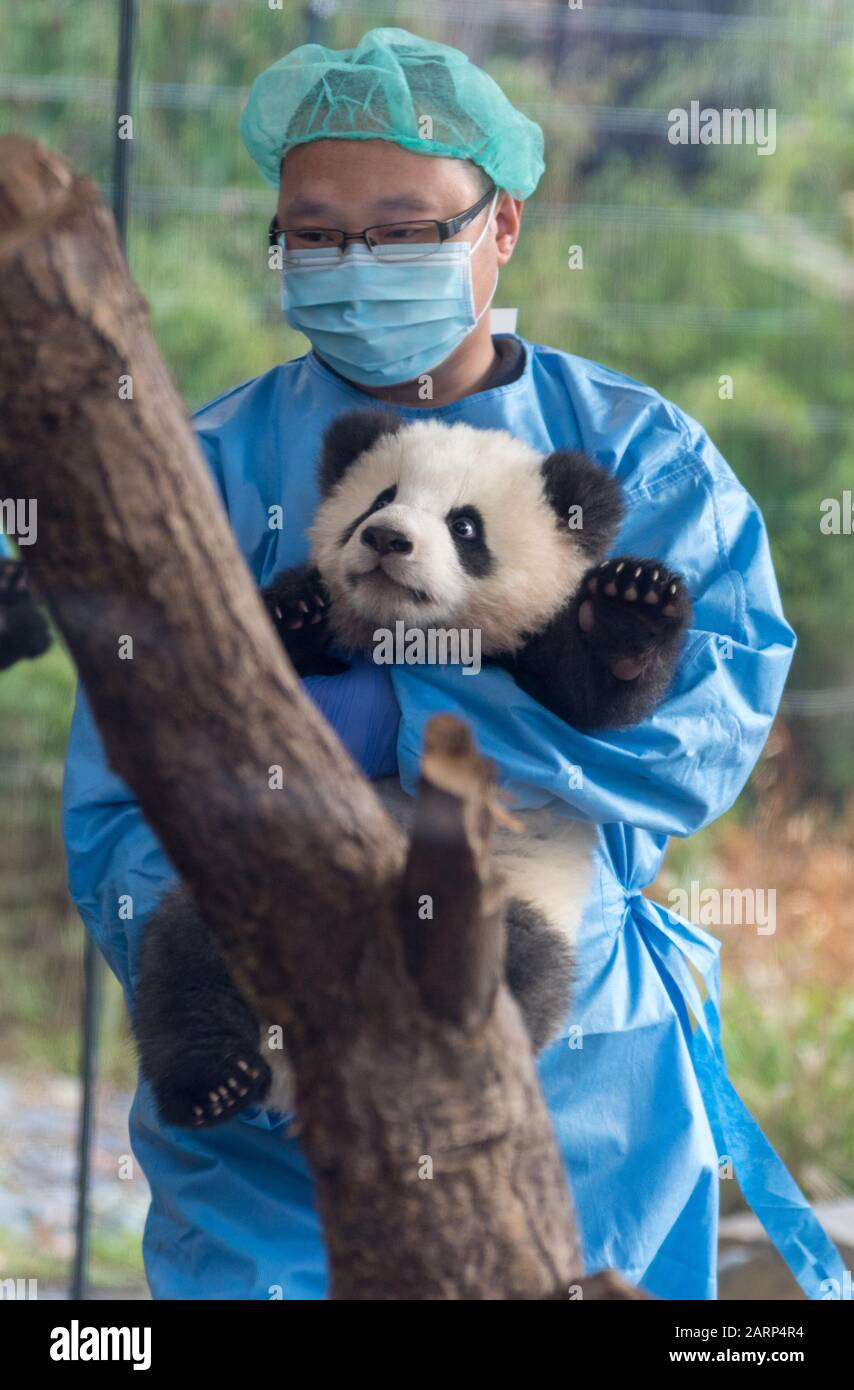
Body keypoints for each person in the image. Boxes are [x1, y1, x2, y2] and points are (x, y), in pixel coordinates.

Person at [61, 27, 842, 1300]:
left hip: (569, 1075)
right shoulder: (200, 471)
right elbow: (124, 793)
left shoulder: (643, 464)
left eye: (406, 227)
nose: (354, 264)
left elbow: (687, 740)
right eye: (311, 234)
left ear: (504, 225)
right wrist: (273, 976)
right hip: (277, 1129)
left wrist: (402, 706)